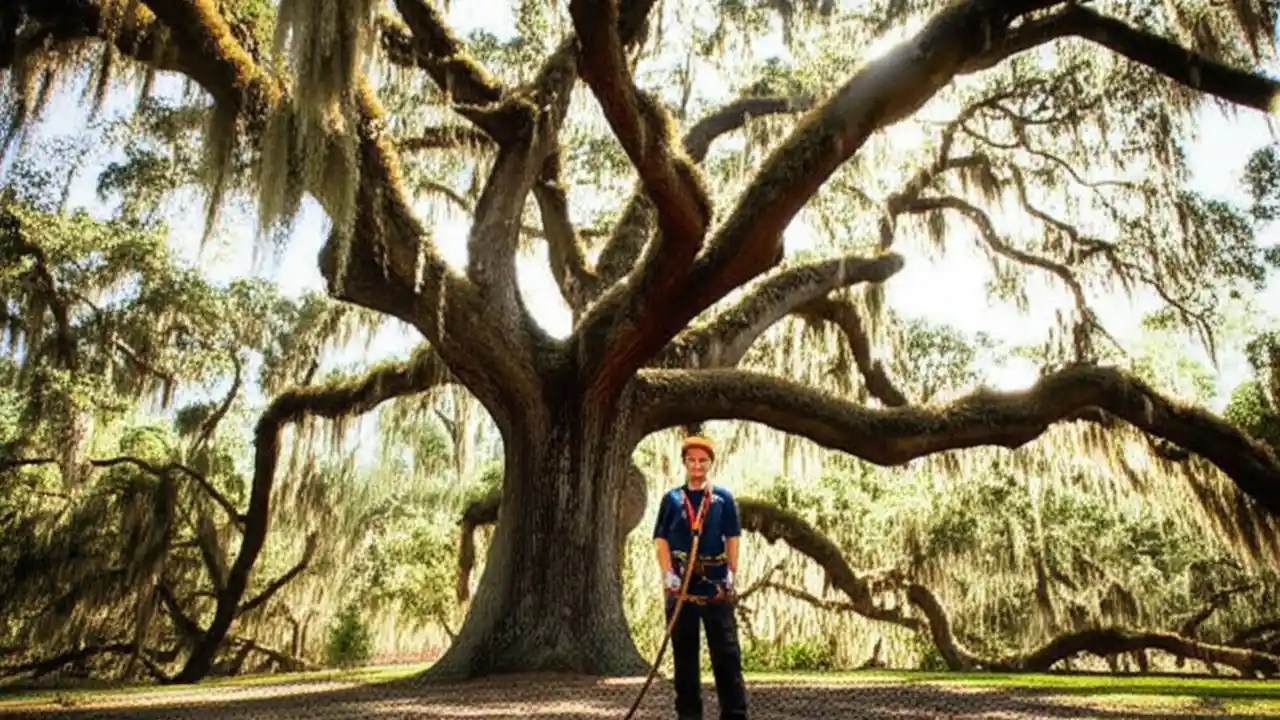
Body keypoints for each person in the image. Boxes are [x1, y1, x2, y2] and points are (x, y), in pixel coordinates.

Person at [652, 435, 748, 720]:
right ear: (684, 463)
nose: (697, 465)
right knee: (685, 661)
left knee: (727, 659)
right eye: (691, 460)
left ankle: (734, 714)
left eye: (702, 460)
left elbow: (732, 537)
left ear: (710, 464)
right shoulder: (672, 499)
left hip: (715, 588)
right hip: (681, 590)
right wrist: (668, 573)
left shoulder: (723, 499)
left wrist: (732, 571)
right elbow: (660, 539)